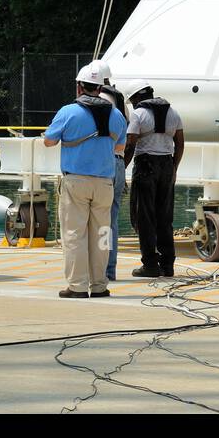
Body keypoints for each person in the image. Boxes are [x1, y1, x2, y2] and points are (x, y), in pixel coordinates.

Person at [43, 62, 127, 298]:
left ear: (80, 87)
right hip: (105, 183)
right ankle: (100, 284)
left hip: (76, 181)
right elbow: (120, 146)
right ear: (100, 88)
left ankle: (78, 286)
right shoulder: (117, 114)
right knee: (102, 233)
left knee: (74, 234)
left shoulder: (68, 112)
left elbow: (49, 141)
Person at [124, 82, 184, 278]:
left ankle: (150, 264)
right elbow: (180, 143)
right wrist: (174, 167)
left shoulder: (139, 115)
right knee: (165, 217)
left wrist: (121, 168)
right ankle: (168, 265)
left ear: (137, 98)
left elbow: (131, 145)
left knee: (145, 217)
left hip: (145, 166)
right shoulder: (173, 113)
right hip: (166, 165)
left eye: (133, 101)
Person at [92, 62, 128, 283]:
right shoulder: (120, 98)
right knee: (111, 221)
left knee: (99, 222)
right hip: (119, 163)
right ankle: (110, 268)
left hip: (104, 164)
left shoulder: (101, 100)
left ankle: (101, 269)